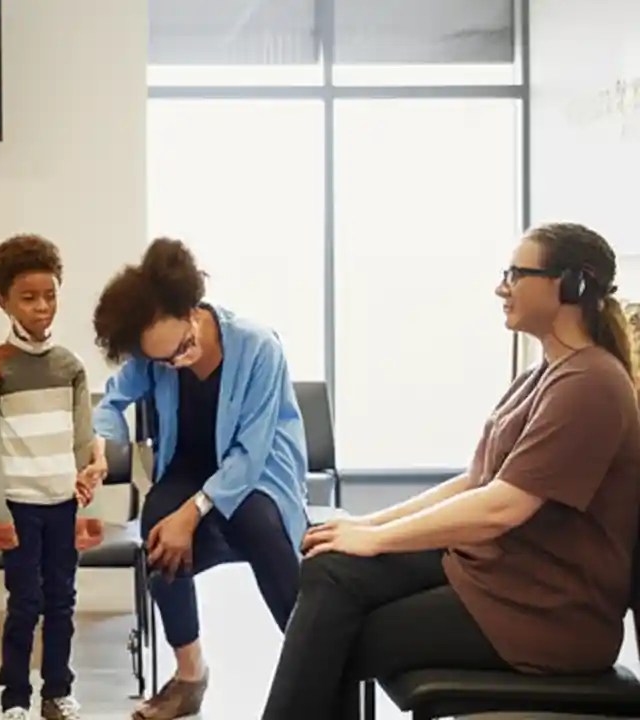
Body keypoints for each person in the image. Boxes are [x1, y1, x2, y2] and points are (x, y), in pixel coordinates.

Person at [262, 223, 640, 720]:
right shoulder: (545, 374)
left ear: (569, 286)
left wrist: (378, 540)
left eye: (516, 274)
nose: (501, 287)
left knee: (340, 633)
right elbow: (474, 482)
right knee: (329, 566)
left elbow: (502, 506)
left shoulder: (592, 384)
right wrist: (367, 526)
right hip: (503, 579)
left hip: (548, 616)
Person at [91, 238, 309, 720]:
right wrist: (101, 448)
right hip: (189, 467)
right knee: (157, 533)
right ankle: (190, 676)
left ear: (192, 310)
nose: (178, 362)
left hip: (261, 473)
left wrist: (191, 515)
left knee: (258, 525)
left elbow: (249, 456)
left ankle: (314, 671)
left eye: (183, 348)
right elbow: (111, 400)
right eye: (165, 360)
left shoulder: (258, 347)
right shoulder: (156, 353)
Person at [0, 235, 107, 720]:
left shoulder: (71, 366)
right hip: (19, 506)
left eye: (49, 295)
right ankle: (15, 699)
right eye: (29, 297)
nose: (42, 306)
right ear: (3, 300)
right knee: (24, 604)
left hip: (62, 505)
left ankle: (58, 691)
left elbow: (82, 437)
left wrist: (87, 484)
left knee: (62, 603)